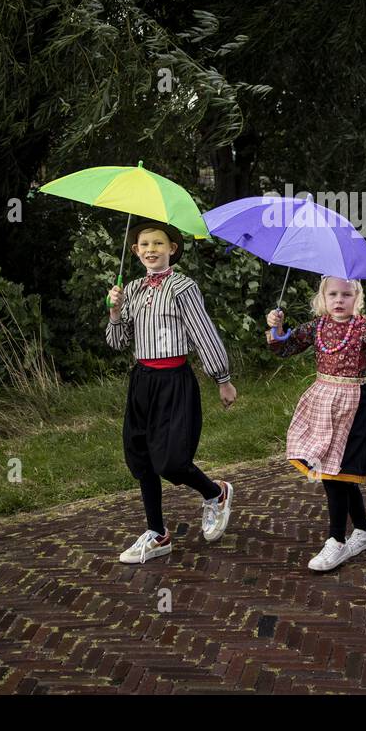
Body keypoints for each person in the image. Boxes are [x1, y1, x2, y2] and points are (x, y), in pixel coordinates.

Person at [105, 220, 237, 564]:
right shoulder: (131, 289)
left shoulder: (183, 287)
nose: (151, 250)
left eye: (158, 244)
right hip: (142, 380)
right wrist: (115, 310)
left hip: (174, 380)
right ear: (135, 251)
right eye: (144, 244)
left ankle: (215, 493)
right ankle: (157, 533)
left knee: (172, 462)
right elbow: (117, 342)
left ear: (171, 249)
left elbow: (203, 332)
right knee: (141, 458)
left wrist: (222, 378)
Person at [266, 276, 366, 572]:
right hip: (322, 401)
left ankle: (336, 540)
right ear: (322, 299)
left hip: (353, 405)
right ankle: (364, 531)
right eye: (333, 294)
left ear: (358, 297)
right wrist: (276, 328)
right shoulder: (317, 326)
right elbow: (285, 348)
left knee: (337, 473)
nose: (339, 300)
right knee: (333, 472)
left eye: (346, 294)